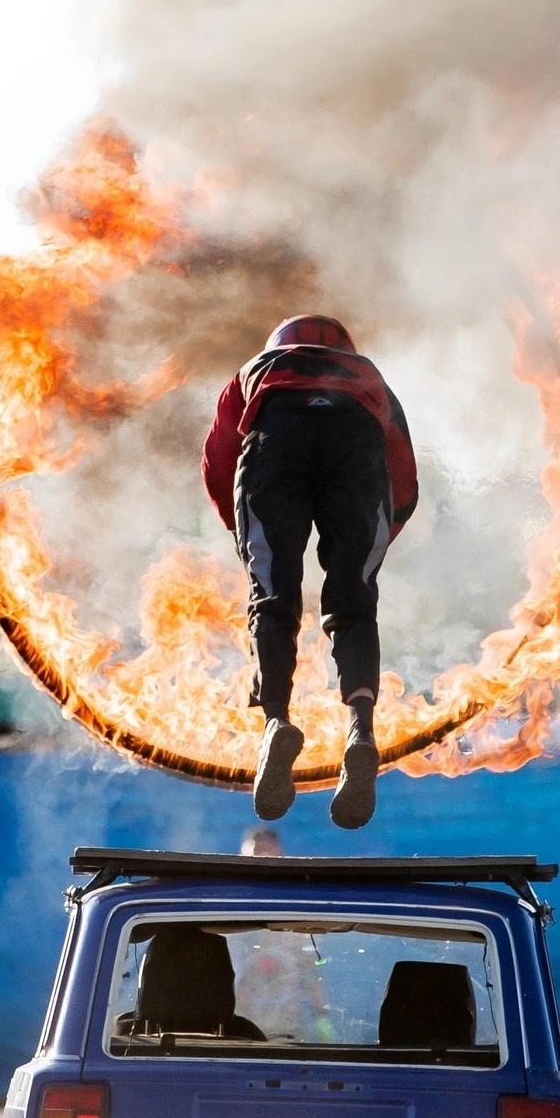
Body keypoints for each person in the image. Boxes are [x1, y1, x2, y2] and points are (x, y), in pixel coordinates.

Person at [201, 314, 418, 831]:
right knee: (353, 604)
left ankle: (277, 720)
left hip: (275, 441)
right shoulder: (368, 374)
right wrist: (367, 555)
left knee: (273, 594)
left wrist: (246, 537)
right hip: (356, 444)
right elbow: (403, 474)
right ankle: (360, 732)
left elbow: (217, 460)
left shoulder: (257, 368)